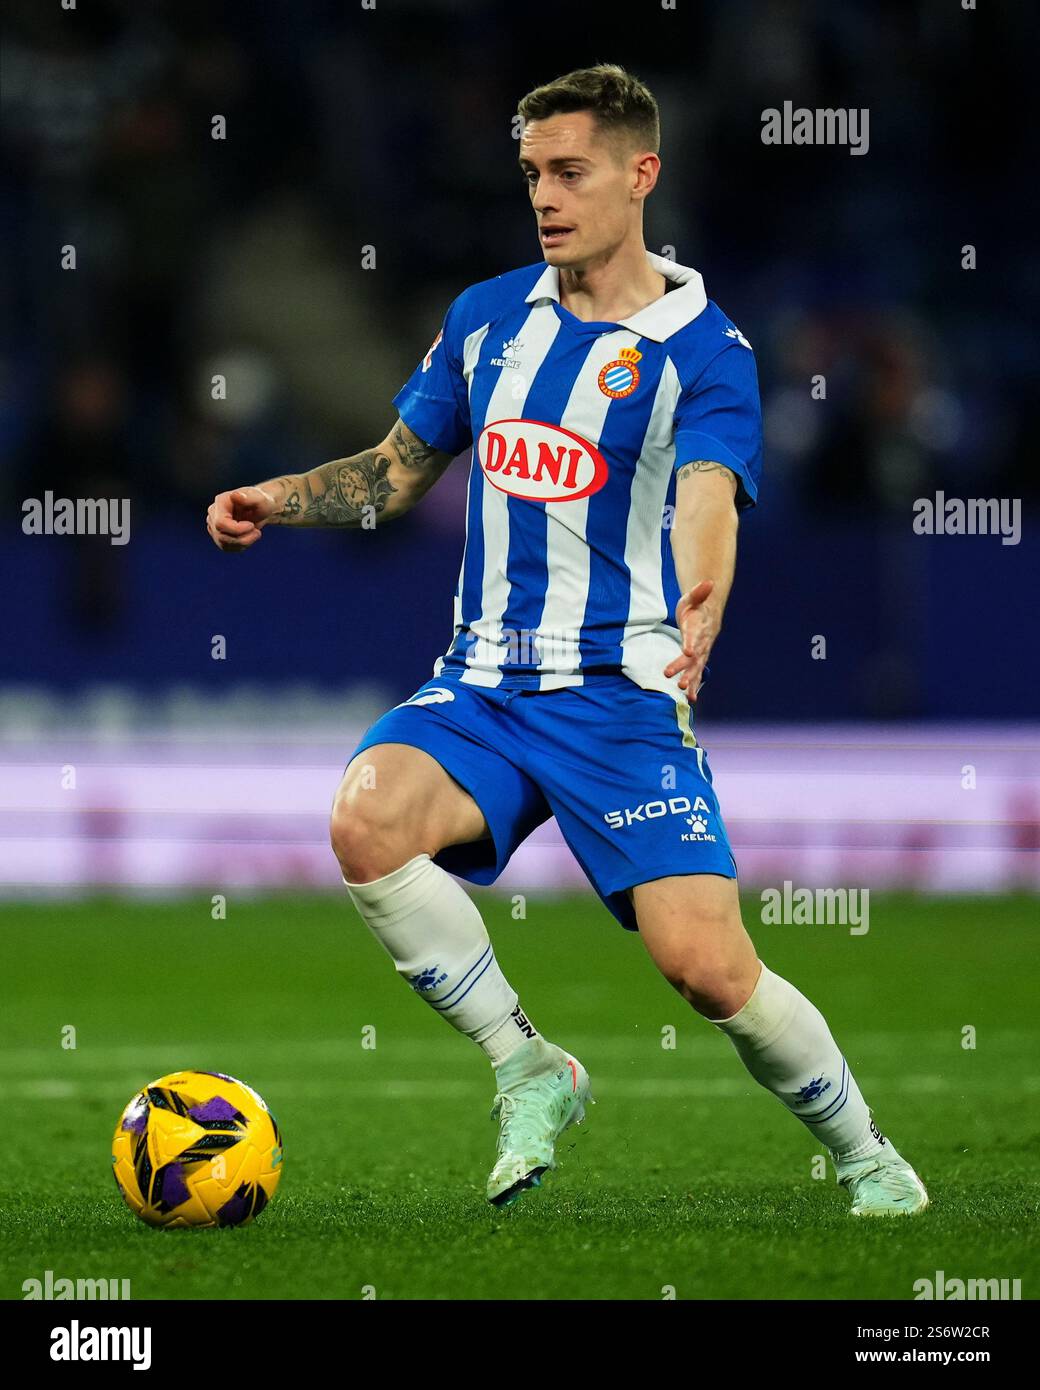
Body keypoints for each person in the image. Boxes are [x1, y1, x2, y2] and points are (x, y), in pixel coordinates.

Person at [206, 64, 927, 1216]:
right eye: (532, 172)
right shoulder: (486, 316)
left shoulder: (705, 349)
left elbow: (704, 494)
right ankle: (526, 1062)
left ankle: (863, 1151)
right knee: (366, 814)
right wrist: (278, 495)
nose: (543, 195)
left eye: (569, 172)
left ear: (640, 174)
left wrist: (703, 594)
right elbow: (393, 473)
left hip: (618, 699)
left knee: (705, 969)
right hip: (483, 685)